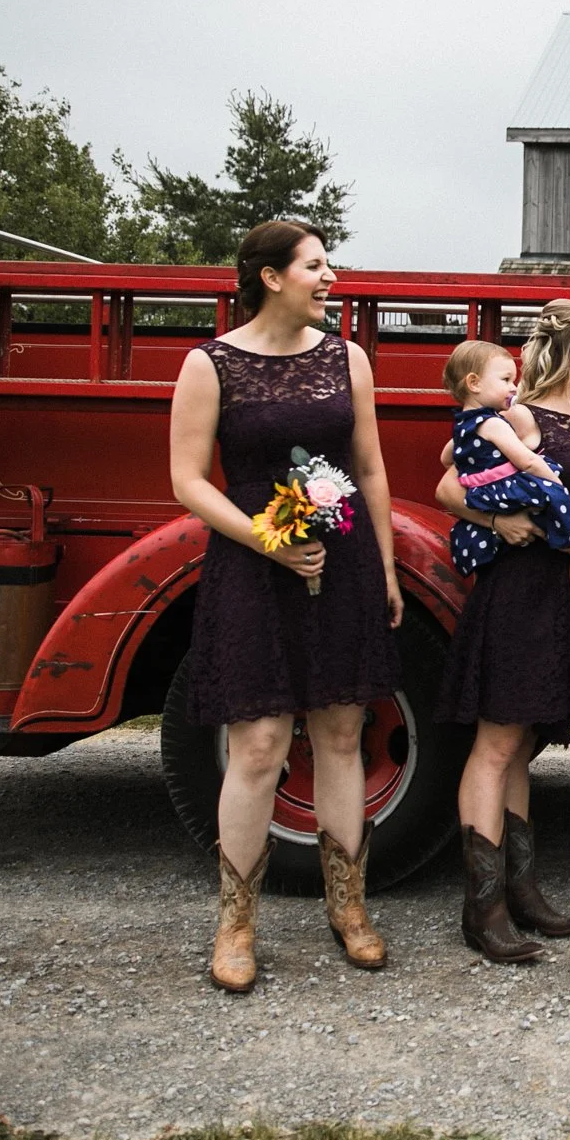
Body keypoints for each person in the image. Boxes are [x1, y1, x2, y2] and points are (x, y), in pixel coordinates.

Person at [168, 219, 403, 993]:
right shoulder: (211, 364)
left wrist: (387, 568)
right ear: (270, 277)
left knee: (340, 732)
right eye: (315, 265)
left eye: (330, 264)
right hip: (251, 565)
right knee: (260, 743)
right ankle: (235, 923)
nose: (331, 277)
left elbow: (370, 469)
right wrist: (266, 540)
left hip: (344, 563)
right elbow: (188, 480)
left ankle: (349, 906)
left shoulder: (348, 359)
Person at [434, 300, 570, 962]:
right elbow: (447, 484)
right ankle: (482, 908)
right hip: (516, 592)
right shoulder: (520, 413)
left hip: (551, 597)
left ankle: (522, 891)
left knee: (520, 746)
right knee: (495, 745)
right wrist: (497, 523)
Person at [441, 338, 570, 646]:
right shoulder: (496, 423)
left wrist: (479, 472)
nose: (513, 387)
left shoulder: (463, 425)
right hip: (518, 493)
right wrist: (560, 491)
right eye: (505, 380)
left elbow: (447, 458)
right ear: (474, 383)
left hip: (486, 495)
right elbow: (528, 461)